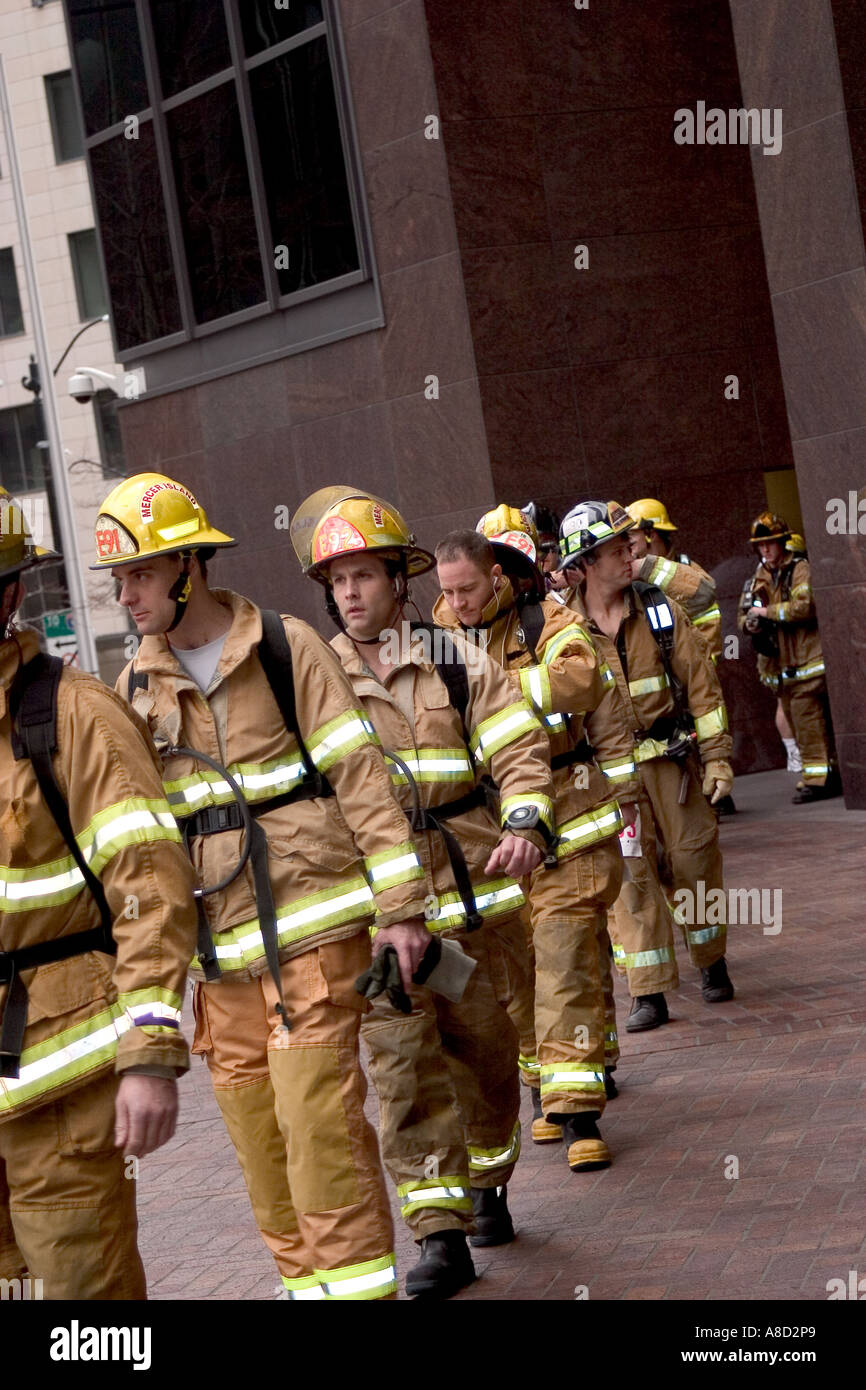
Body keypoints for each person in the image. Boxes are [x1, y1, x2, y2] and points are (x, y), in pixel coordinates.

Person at [95, 472, 430, 1302]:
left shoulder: (284, 646)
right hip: (220, 969)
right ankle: (305, 1287)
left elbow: (358, 773)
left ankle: (357, 1295)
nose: (124, 595)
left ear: (186, 568)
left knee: (318, 1129)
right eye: (118, 579)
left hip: (314, 939)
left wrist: (403, 908)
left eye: (138, 574)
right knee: (260, 1145)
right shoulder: (131, 690)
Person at [295, 488, 555, 1298]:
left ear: (400, 579)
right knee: (402, 1069)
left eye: (363, 575)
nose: (349, 593)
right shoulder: (314, 677)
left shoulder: (453, 660)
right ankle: (440, 1234)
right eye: (336, 580)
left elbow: (517, 744)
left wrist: (525, 819)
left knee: (484, 1053)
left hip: (474, 893)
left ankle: (489, 1180)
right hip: (380, 912)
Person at [0, 485, 197, 1300]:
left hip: (61, 1079)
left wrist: (149, 1054)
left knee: (87, 1307)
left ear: (8, 593)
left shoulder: (75, 714)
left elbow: (149, 884)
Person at [433, 508, 633, 1172]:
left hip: (566, 817)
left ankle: (575, 1109)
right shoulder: (432, 637)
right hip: (490, 833)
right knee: (518, 975)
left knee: (565, 953)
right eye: (448, 592)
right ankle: (562, 1064)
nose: (457, 604)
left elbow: (578, 681)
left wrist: (489, 690)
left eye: (467, 590)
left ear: (494, 579)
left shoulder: (546, 621)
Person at [558, 500, 735, 1032]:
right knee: (631, 879)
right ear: (585, 563)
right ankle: (649, 991)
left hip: (672, 767)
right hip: (610, 780)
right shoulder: (561, 629)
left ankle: (711, 960)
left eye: (629, 545)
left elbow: (702, 688)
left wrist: (718, 759)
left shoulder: (659, 609)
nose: (629, 555)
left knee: (693, 862)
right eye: (615, 550)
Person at [739, 513, 837, 804]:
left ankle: (818, 779)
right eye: (760, 545)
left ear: (782, 542)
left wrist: (769, 613)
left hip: (806, 660)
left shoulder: (800, 568)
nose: (765, 550)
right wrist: (751, 624)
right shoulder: (758, 575)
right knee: (798, 720)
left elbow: (805, 606)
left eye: (770, 543)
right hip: (779, 665)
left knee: (806, 718)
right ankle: (822, 770)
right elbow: (742, 616)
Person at [625, 498, 722, 662]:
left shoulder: (688, 573)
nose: (627, 541)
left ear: (650, 534)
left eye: (632, 534)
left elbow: (709, 630)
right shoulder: (632, 575)